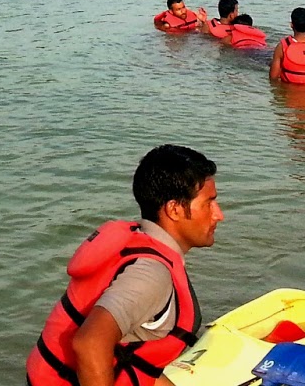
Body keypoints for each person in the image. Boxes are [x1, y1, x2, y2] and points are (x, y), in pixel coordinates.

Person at [27, 145, 222, 386]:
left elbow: (134, 361)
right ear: (174, 209)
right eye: (209, 203)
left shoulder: (139, 245)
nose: (219, 214)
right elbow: (90, 343)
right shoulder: (151, 275)